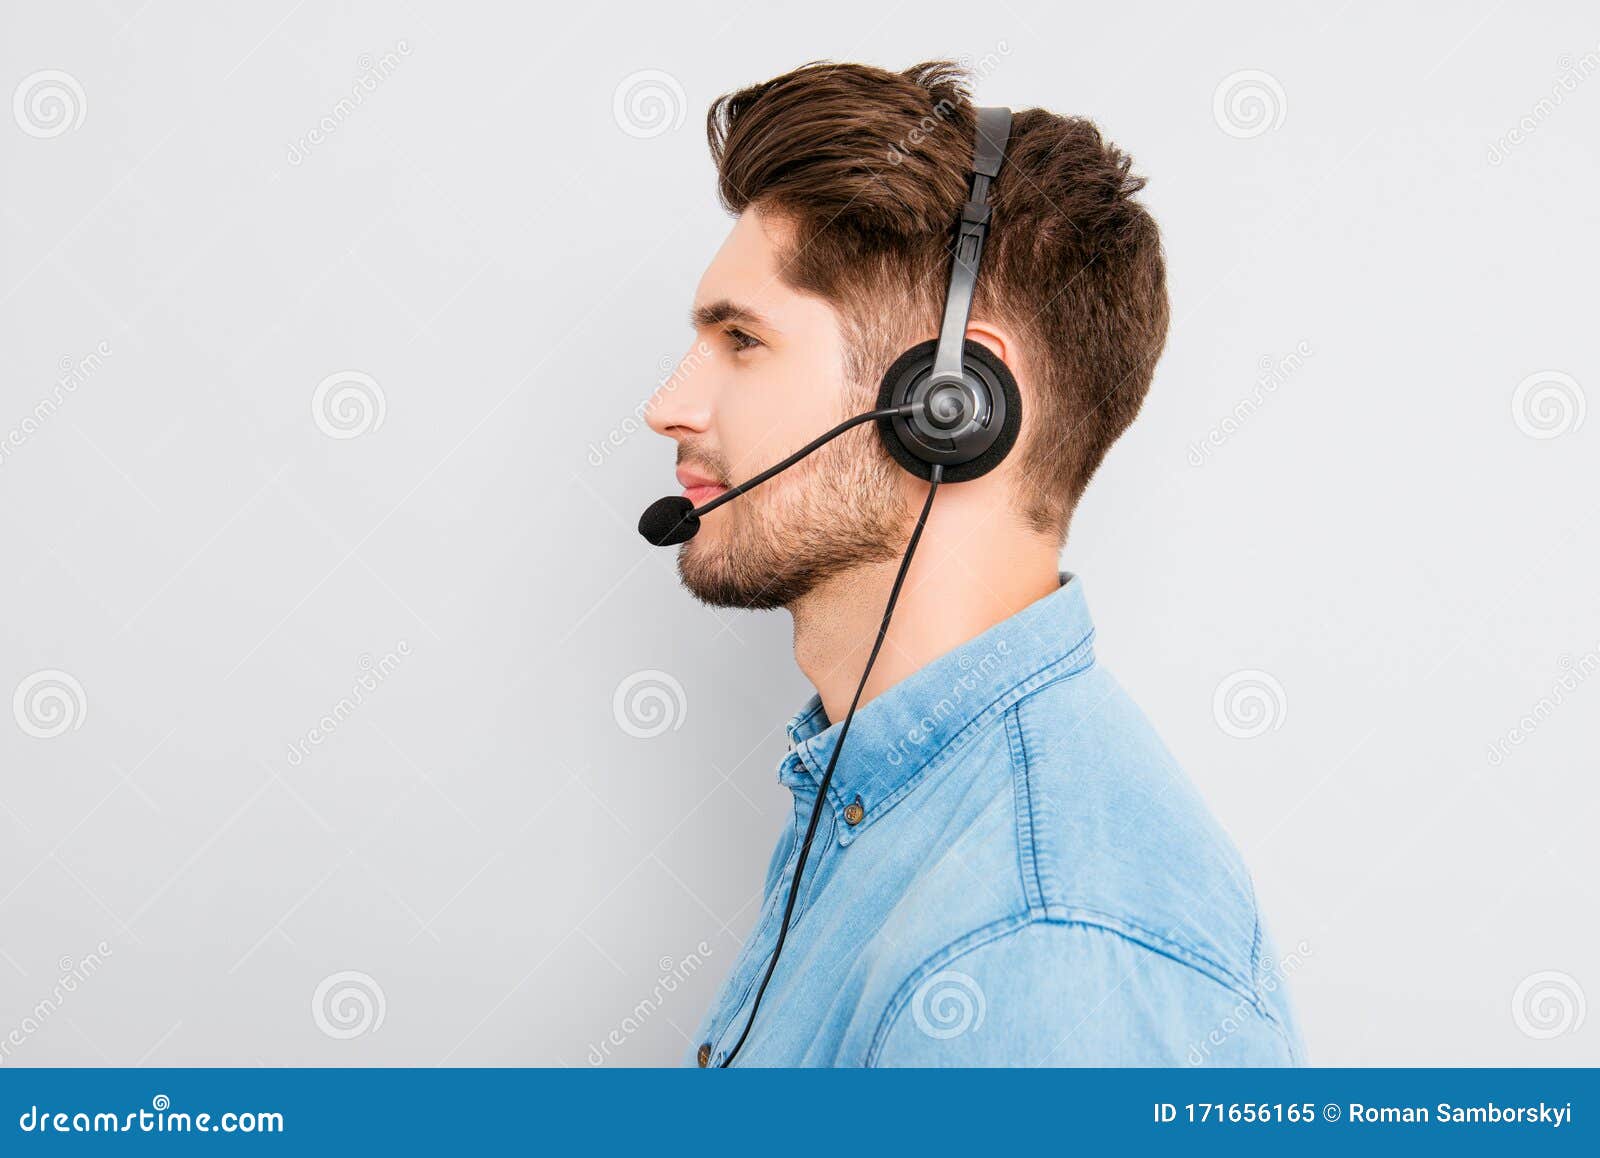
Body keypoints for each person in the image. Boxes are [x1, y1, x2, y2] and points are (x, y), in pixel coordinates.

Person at [644, 60, 1303, 1066]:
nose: (669, 407)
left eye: (741, 341)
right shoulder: (894, 804)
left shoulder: (1036, 956)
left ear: (948, 402)